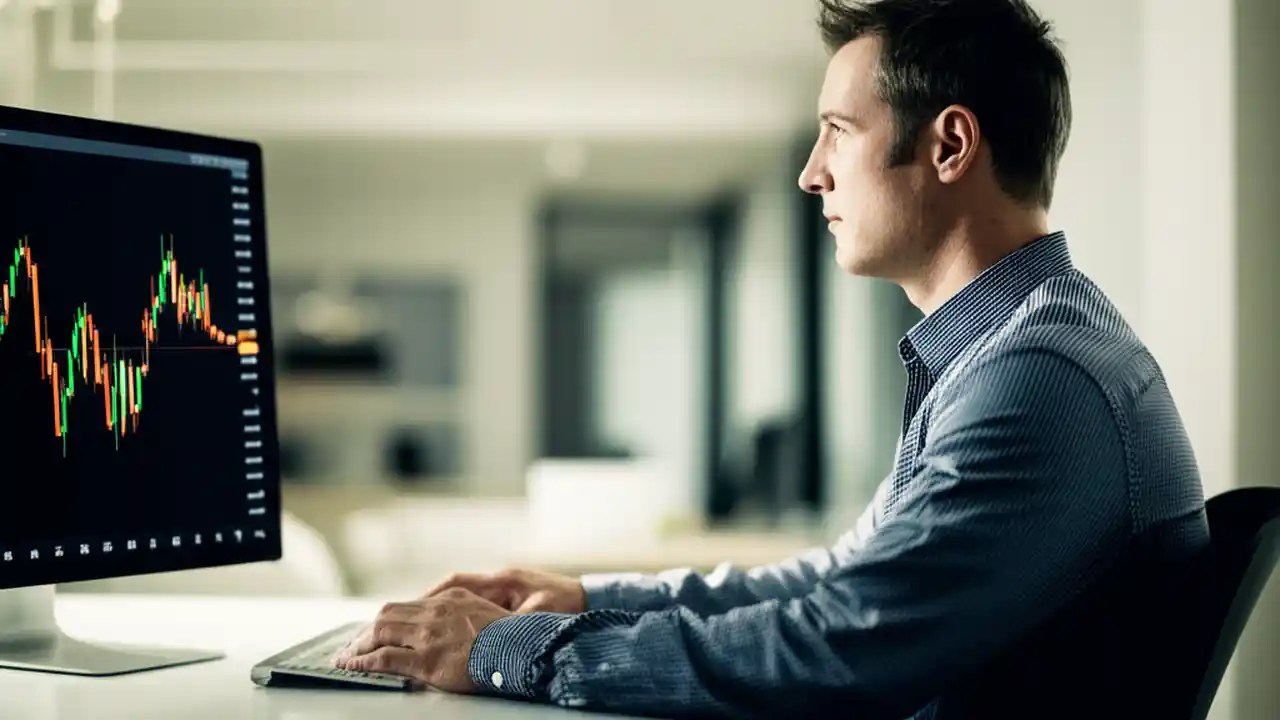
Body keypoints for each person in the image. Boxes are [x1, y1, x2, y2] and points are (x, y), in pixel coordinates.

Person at [333, 1, 1213, 717]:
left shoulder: (1039, 378)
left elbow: (837, 649)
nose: (811, 173)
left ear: (949, 146)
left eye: (838, 131)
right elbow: (842, 582)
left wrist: (505, 649)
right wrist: (586, 600)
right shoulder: (1009, 350)